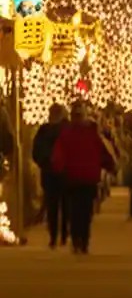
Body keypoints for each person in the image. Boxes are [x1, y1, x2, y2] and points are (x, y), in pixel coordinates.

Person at [52, 102, 116, 254]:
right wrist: (110, 166)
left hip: (73, 177)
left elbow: (59, 154)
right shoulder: (92, 133)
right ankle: (83, 240)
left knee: (75, 209)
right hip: (88, 177)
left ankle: (77, 239)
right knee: (85, 210)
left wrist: (58, 168)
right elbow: (103, 152)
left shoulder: (67, 133)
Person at [32, 104, 69, 248]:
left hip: (49, 172)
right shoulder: (67, 130)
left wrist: (43, 162)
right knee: (65, 205)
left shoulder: (43, 130)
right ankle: (64, 234)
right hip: (65, 172)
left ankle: (53, 236)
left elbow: (36, 151)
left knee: (52, 205)